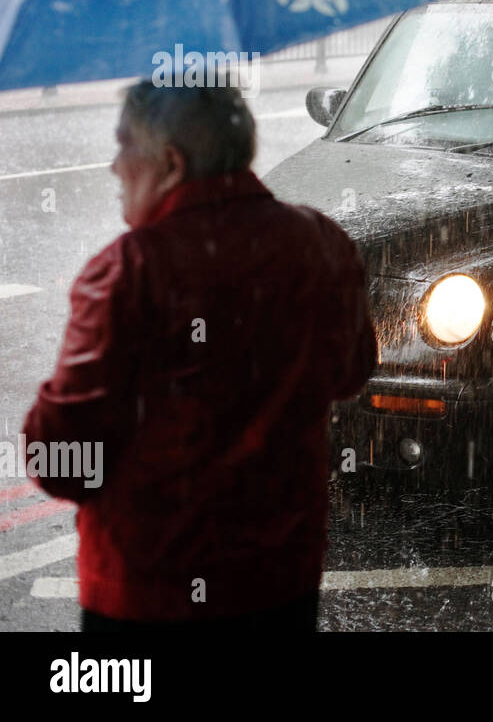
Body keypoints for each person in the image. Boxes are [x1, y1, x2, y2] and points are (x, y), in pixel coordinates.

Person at [23, 79, 376, 630]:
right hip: (279, 580)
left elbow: (59, 455)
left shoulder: (126, 273)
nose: (114, 167)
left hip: (148, 591)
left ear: (170, 162)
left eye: (123, 147)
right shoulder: (321, 245)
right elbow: (352, 372)